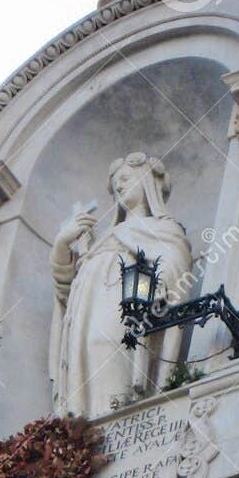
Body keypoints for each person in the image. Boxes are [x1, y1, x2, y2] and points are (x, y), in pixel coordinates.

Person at [48, 152, 192, 417]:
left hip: (125, 312)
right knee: (89, 352)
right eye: (116, 183)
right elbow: (65, 290)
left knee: (108, 349)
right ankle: (81, 427)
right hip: (84, 317)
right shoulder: (102, 239)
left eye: (126, 179)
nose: (119, 186)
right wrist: (61, 245)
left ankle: (115, 421)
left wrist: (157, 288)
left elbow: (175, 267)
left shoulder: (162, 229)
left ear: (147, 181)